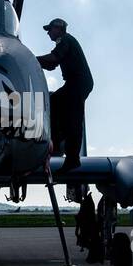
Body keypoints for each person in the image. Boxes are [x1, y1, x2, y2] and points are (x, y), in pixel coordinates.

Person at [36, 18, 93, 174]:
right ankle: (57, 139)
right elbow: (51, 64)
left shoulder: (65, 40)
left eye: (50, 29)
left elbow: (53, 59)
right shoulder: (64, 43)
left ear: (59, 29)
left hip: (78, 83)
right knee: (53, 103)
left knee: (73, 118)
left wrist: (32, 60)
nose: (48, 32)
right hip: (74, 83)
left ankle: (72, 159)